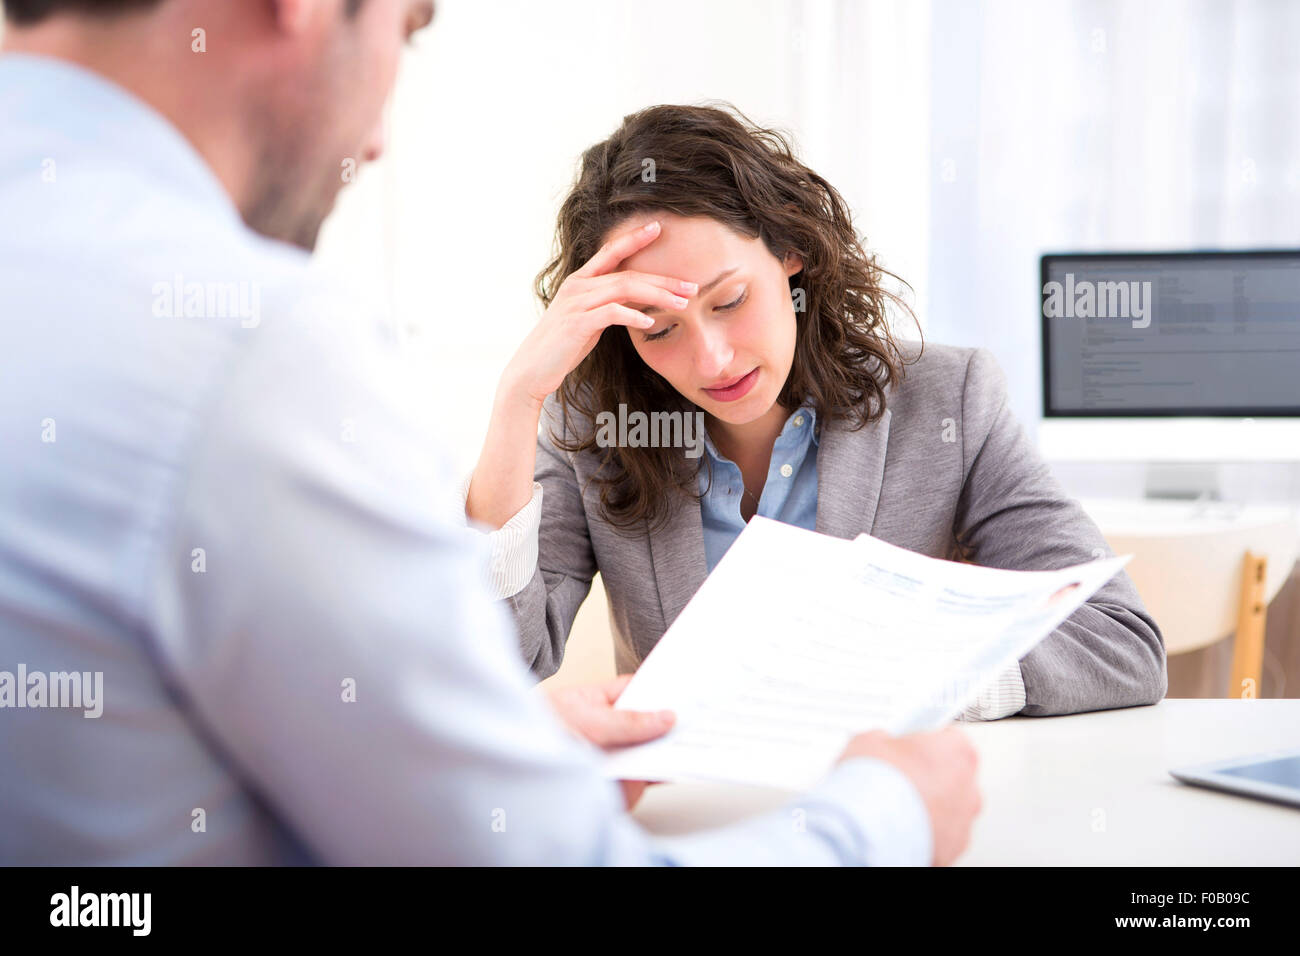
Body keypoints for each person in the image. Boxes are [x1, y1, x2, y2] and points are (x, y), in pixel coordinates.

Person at [0, 0, 980, 865]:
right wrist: (887, 815)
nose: (376, 138)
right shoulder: (246, 347)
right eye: (408, 27)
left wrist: (485, 747)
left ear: (794, 263)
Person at [465, 104, 1167, 720]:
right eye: (658, 330)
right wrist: (516, 400)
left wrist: (906, 688)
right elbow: (496, 665)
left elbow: (1120, 642)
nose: (712, 361)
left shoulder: (950, 399)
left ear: (790, 250)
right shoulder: (593, 428)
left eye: (730, 301)